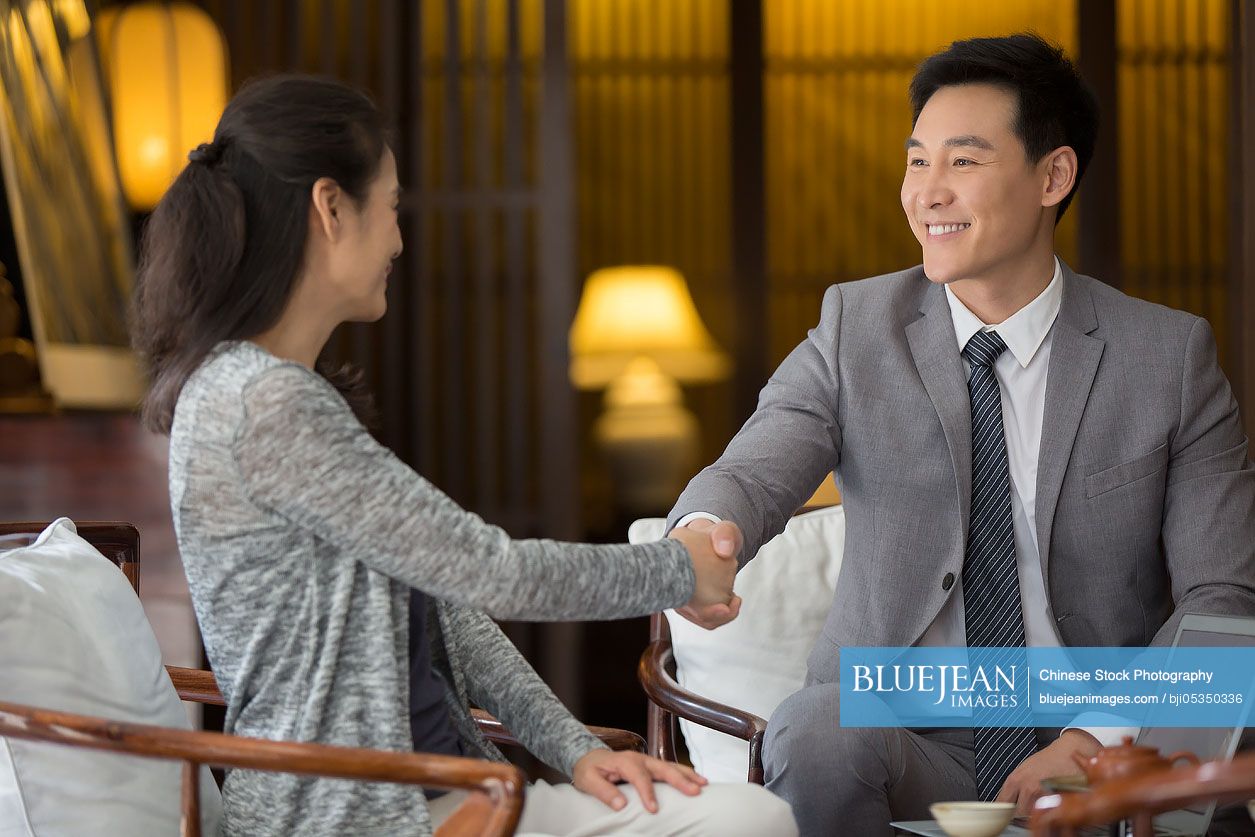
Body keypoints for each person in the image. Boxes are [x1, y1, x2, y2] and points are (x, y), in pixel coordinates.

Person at [131, 74, 796, 837]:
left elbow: (452, 605)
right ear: (330, 207)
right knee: (748, 820)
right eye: (391, 208)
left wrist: (575, 748)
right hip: (355, 817)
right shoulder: (266, 403)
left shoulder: (267, 393)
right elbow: (492, 569)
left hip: (437, 796)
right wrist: (679, 568)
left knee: (745, 815)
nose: (398, 240)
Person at [667, 33, 1255, 836]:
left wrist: (1094, 740)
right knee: (815, 728)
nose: (927, 192)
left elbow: (1224, 598)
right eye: (916, 162)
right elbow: (753, 467)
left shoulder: (1166, 357)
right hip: (909, 734)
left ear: (1052, 176)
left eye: (962, 161)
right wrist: (703, 535)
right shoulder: (854, 329)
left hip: (1104, 745)